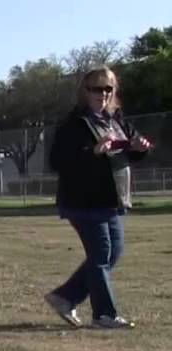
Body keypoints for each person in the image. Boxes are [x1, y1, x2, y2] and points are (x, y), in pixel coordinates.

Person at [43, 65, 152, 331]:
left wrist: (140, 147)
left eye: (108, 88)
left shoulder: (115, 118)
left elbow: (129, 149)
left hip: (111, 199)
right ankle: (104, 314)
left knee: (112, 252)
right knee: (101, 253)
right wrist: (92, 151)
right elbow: (58, 161)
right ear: (85, 91)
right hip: (83, 200)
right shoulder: (75, 123)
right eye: (96, 89)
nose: (102, 94)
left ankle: (65, 297)